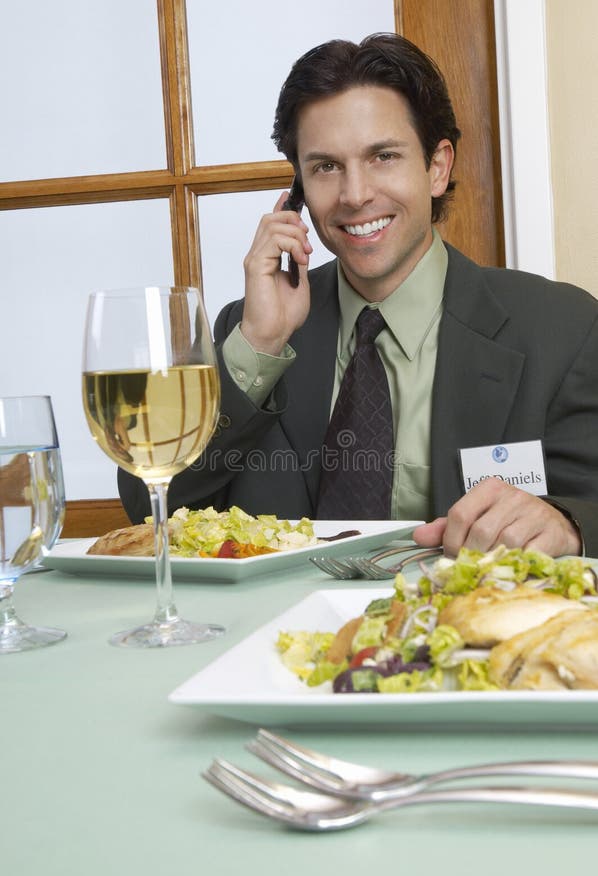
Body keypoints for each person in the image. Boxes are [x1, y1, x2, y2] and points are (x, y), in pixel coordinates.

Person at [119, 33, 598, 557]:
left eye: (383, 156)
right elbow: (147, 502)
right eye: (326, 167)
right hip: (281, 635)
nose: (355, 195)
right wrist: (260, 343)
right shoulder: (250, 331)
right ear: (297, 191)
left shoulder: (561, 329)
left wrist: (568, 525)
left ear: (437, 167)